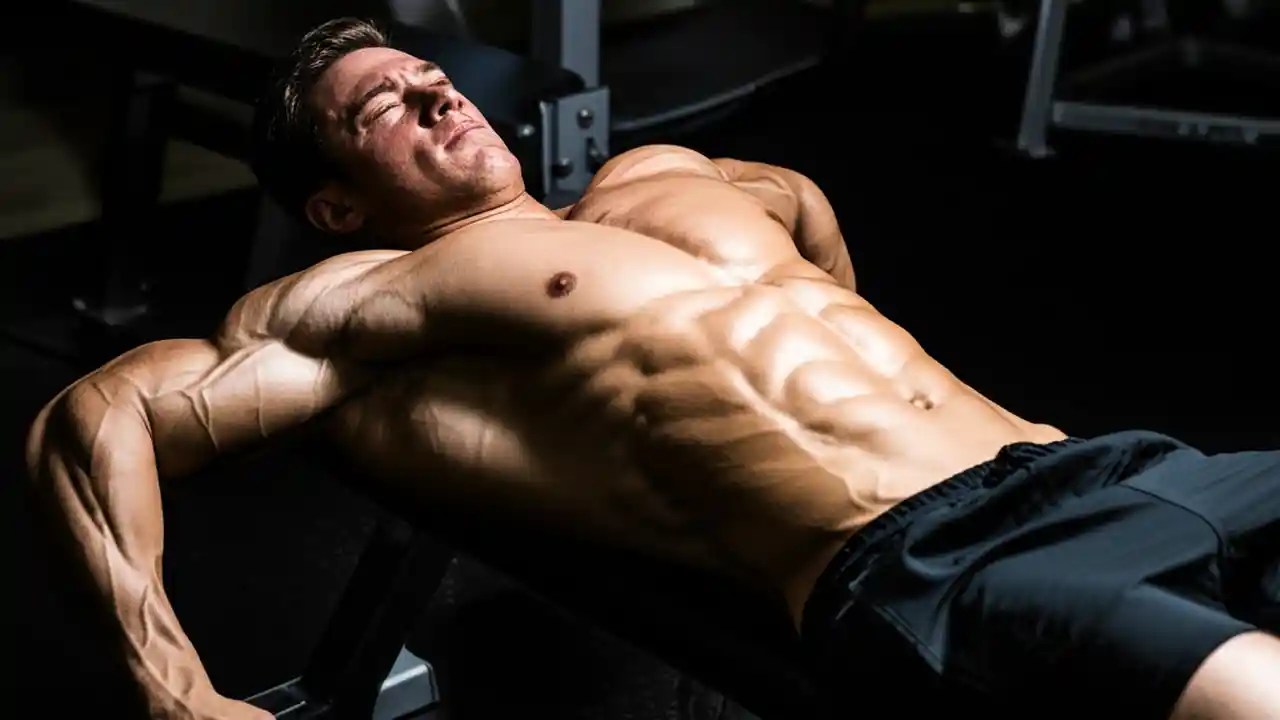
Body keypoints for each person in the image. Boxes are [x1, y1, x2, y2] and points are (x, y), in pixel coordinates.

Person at [25, 16, 1278, 720]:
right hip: (940, 563)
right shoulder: (375, 295)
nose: (438, 99)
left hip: (1108, 467)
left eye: (429, 79)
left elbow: (805, 217)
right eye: (384, 111)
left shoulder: (670, 178)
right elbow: (100, 415)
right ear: (339, 207)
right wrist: (176, 693)